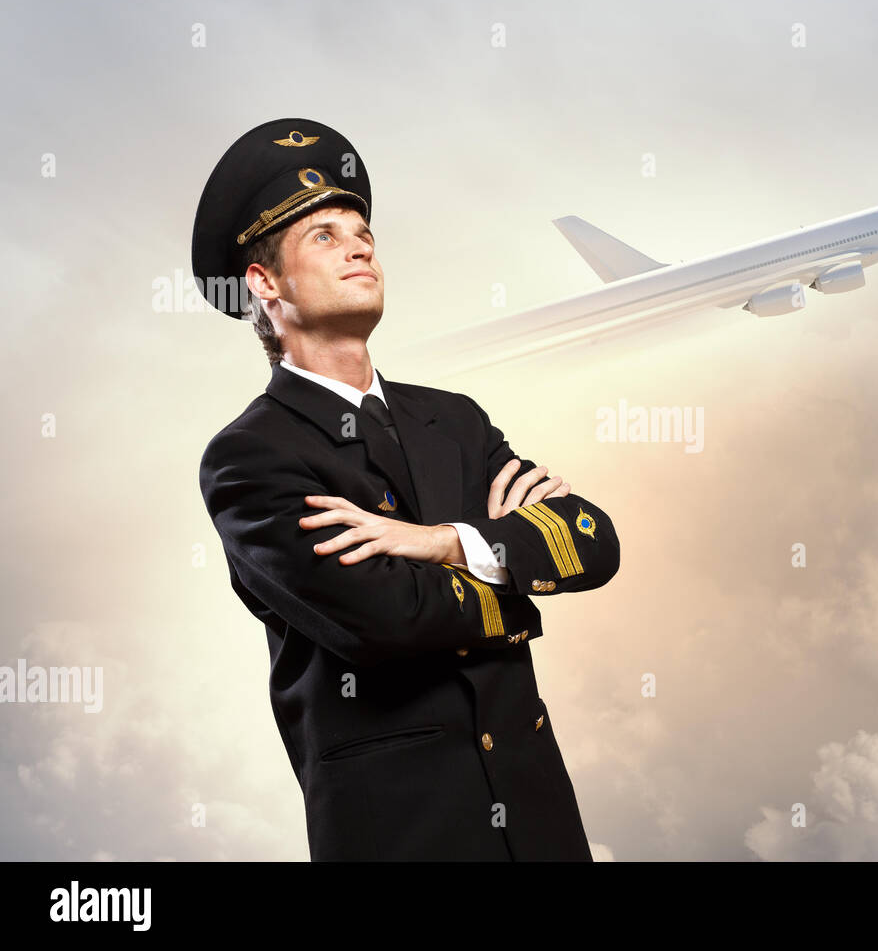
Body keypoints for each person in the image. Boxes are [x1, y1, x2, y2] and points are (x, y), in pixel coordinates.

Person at [192, 118, 620, 860]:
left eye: (362, 232)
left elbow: (594, 541)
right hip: (404, 836)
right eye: (323, 236)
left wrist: (440, 543)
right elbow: (387, 623)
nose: (360, 245)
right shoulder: (249, 458)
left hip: (543, 826)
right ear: (264, 283)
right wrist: (511, 561)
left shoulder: (452, 418)